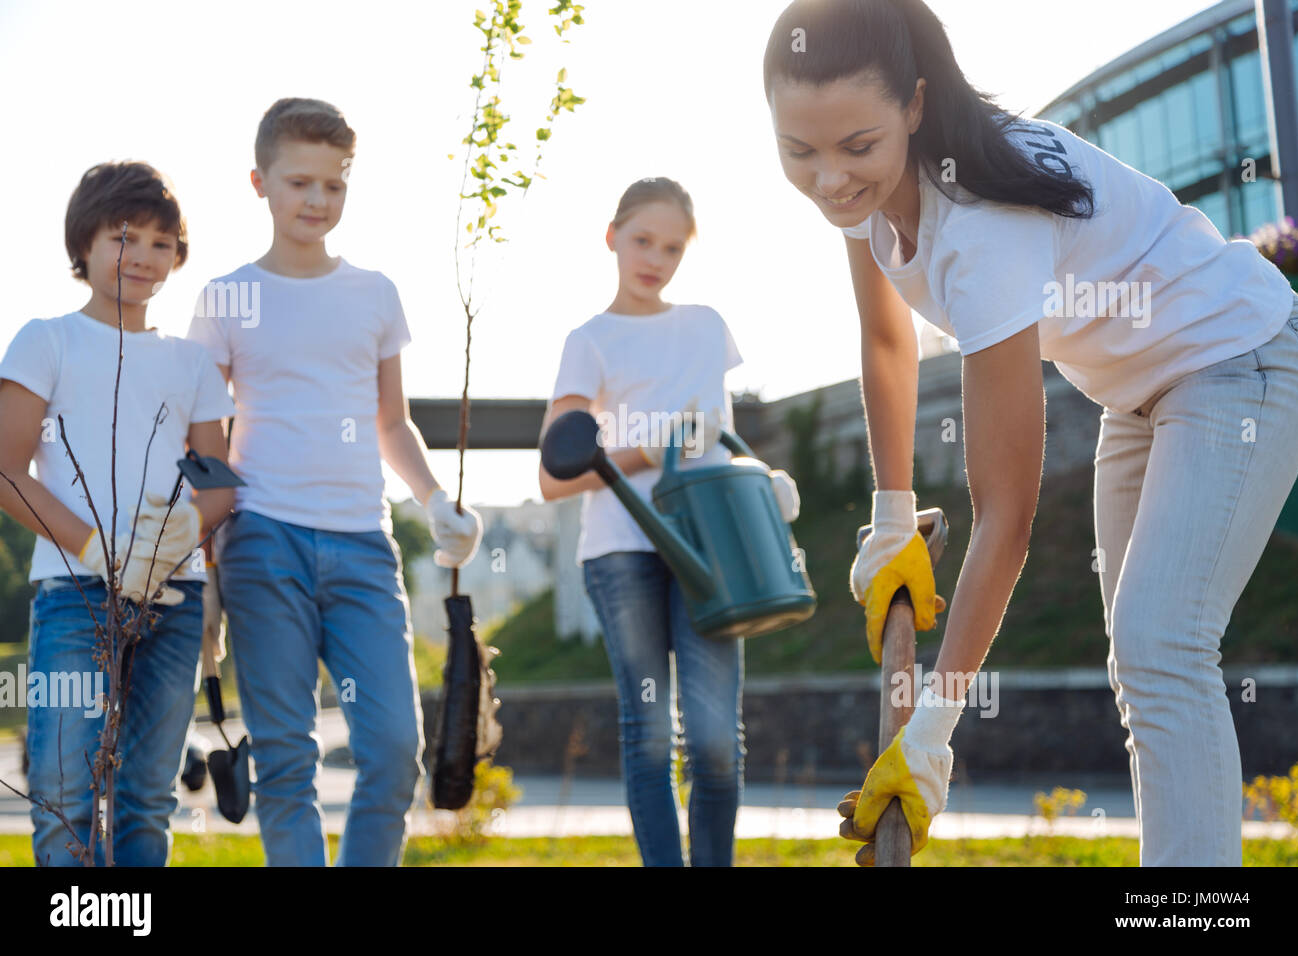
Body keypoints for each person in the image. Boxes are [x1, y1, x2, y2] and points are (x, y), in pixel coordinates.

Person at [763, 0, 1298, 867]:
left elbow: (1006, 515)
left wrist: (932, 728)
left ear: (914, 105)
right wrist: (893, 512)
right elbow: (886, 340)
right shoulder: (871, 194)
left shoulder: (980, 225)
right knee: (1144, 667)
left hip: (1240, 357)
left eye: (855, 146)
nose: (830, 179)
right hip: (1136, 394)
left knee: (1165, 644)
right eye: (800, 151)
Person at [187, 97, 484, 867]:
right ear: (260, 182)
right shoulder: (225, 298)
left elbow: (391, 422)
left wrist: (434, 497)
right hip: (261, 542)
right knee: (286, 762)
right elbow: (203, 442)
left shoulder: (374, 294)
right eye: (299, 183)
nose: (318, 201)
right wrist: (208, 570)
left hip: (362, 544)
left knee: (392, 751)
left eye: (335, 185)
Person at [538, 177, 801, 866]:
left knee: (715, 740)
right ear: (612, 237)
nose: (655, 258)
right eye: (641, 241)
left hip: (714, 550)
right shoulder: (588, 341)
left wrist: (764, 487)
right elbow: (552, 476)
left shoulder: (706, 326)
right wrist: (644, 449)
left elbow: (721, 443)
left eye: (672, 247)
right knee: (650, 733)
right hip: (622, 552)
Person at [0, 161, 236, 866]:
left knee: (147, 800)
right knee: (66, 794)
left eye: (164, 243)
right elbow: (6, 470)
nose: (143, 257)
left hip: (175, 597)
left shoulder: (193, 363)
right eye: (124, 238)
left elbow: (219, 483)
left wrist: (179, 538)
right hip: (75, 595)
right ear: (87, 245)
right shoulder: (45, 340)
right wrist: (99, 548)